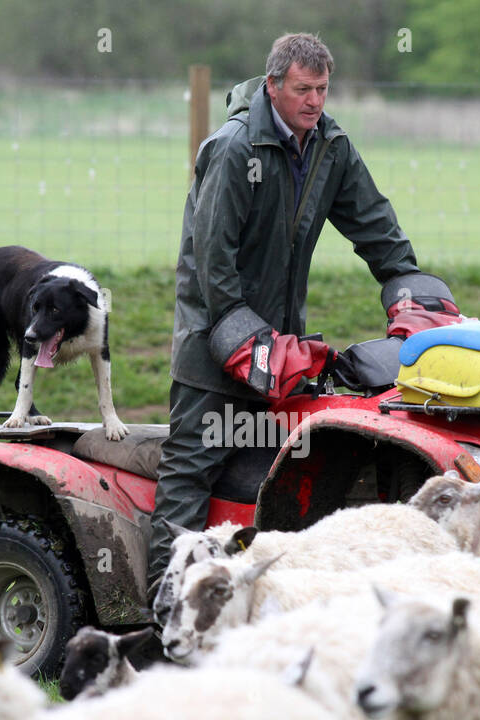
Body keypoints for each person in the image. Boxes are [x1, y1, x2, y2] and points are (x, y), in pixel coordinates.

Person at [147, 32, 451, 586]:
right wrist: (245, 342)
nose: (314, 101)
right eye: (303, 89)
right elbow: (212, 264)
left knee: (277, 482)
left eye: (323, 89)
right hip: (212, 354)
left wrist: (415, 292)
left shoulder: (330, 146)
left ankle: (259, 605)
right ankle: (165, 617)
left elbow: (375, 227)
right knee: (189, 479)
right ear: (273, 86)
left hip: (281, 357)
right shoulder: (235, 148)